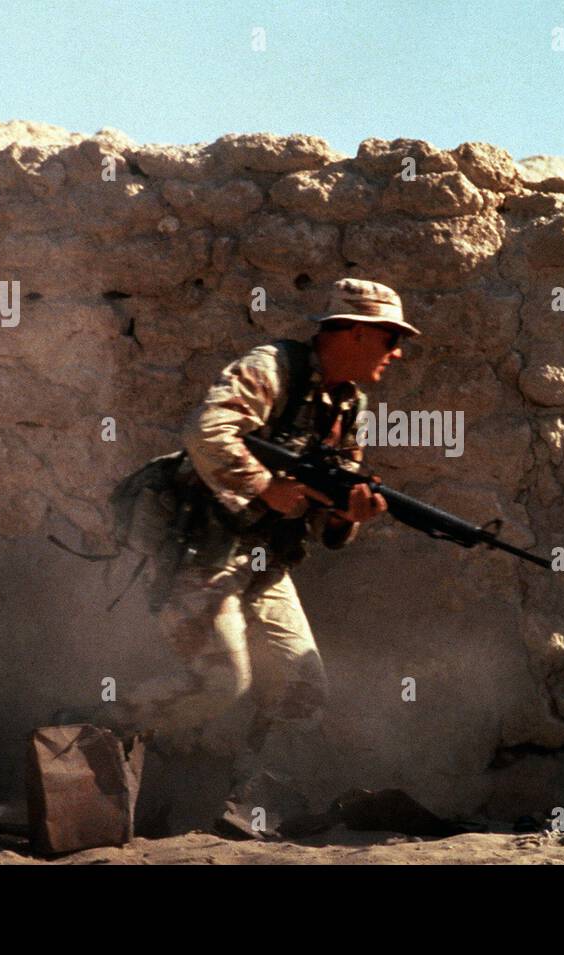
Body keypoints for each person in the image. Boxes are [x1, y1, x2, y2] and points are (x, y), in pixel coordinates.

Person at [129, 277, 418, 836]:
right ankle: (91, 728)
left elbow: (330, 513)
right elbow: (206, 429)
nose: (396, 352)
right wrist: (265, 487)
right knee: (221, 684)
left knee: (303, 687)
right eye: (389, 338)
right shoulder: (272, 369)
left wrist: (346, 514)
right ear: (354, 333)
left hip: (263, 560)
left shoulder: (347, 405)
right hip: (198, 549)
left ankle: (245, 807)